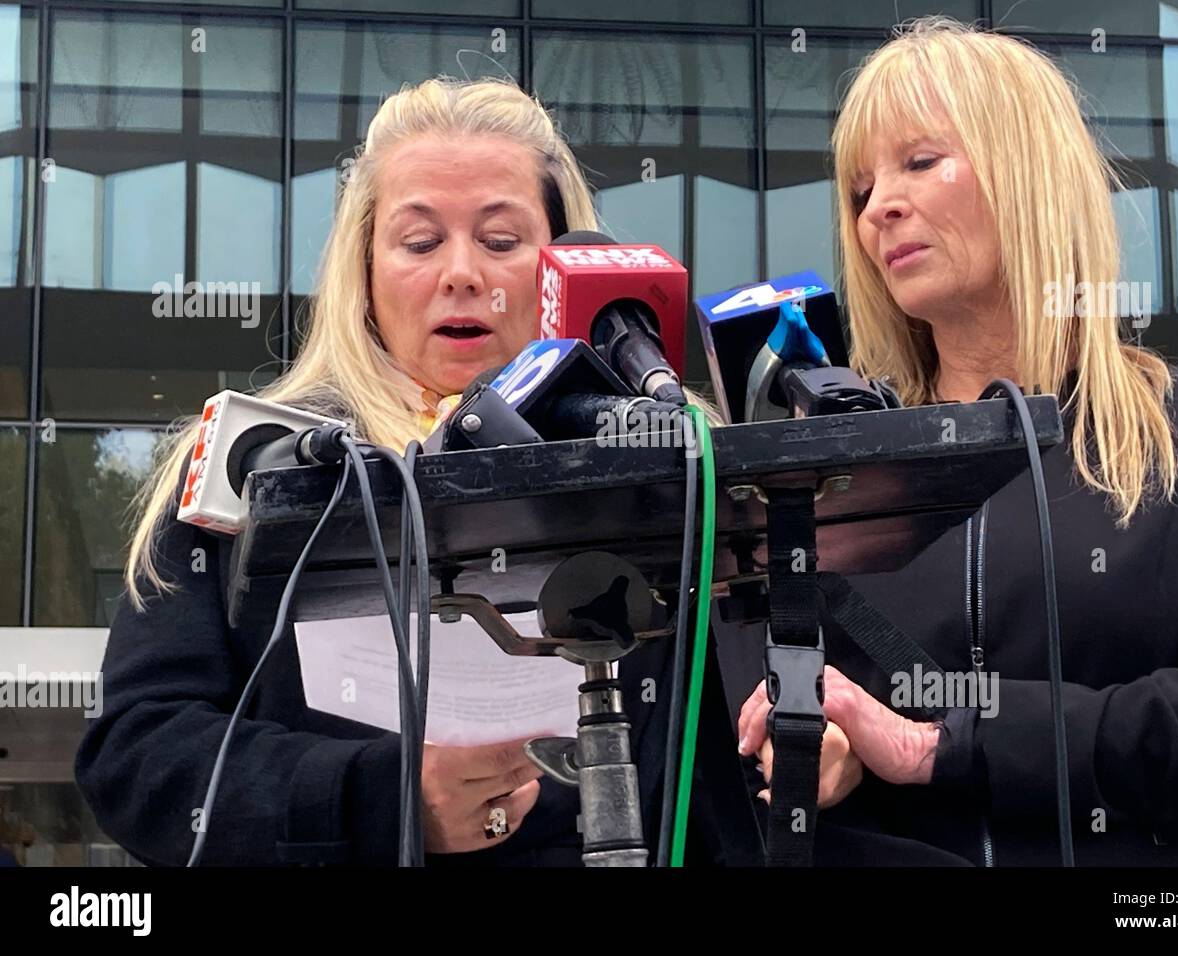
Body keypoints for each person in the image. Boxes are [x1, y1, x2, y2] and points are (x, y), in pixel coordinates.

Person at [75, 77, 714, 866]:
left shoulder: (679, 458)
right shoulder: (254, 463)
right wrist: (385, 797)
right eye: (419, 243)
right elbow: (139, 756)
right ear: (366, 273)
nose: (461, 273)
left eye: (502, 240)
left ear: (563, 266)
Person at [736, 18, 1178, 865]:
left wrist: (938, 749)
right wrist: (812, 741)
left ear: (1030, 172)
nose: (879, 208)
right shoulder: (828, 460)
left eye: (920, 162)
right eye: (859, 192)